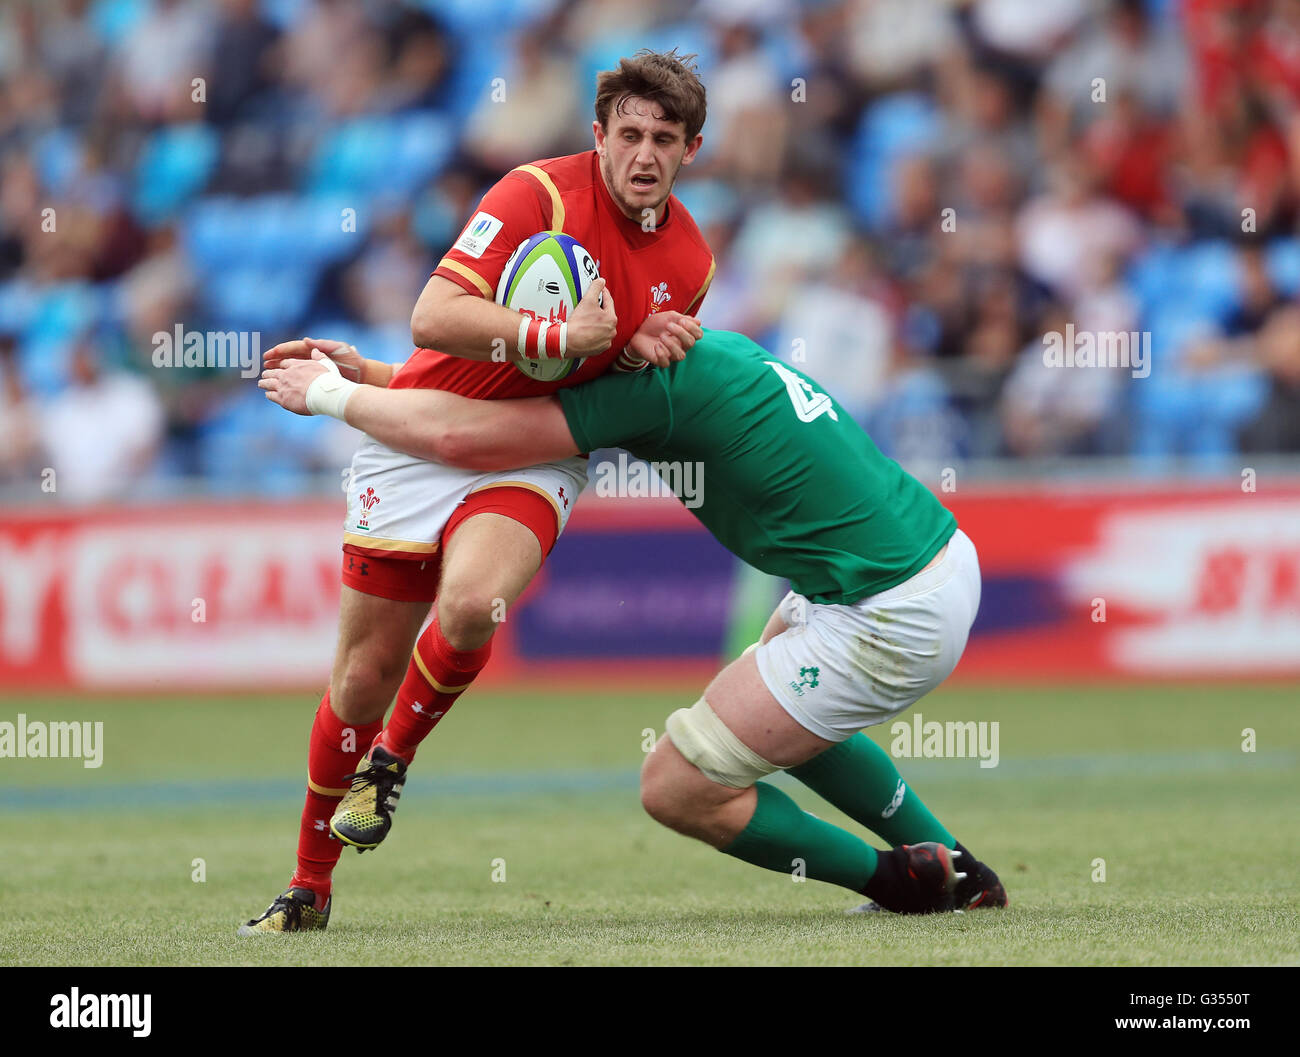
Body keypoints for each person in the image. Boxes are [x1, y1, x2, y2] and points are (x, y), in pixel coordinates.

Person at [258, 328, 1008, 915]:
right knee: (781, 719)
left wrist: (328, 395)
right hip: (918, 559)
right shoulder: (701, 353)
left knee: (676, 785)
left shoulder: (645, 388)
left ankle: (900, 881)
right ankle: (956, 866)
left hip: (886, 609)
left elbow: (467, 436)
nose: (541, 339)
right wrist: (385, 375)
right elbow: (495, 399)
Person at [239, 50, 715, 934]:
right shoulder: (536, 193)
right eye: (630, 134)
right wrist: (554, 333)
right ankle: (308, 887)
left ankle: (387, 767)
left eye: (665, 138)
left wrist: (630, 349)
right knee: (360, 677)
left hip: (530, 457)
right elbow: (434, 318)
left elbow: (601, 386)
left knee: (470, 605)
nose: (644, 154)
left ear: (690, 148)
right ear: (599, 134)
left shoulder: (690, 259)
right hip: (419, 438)